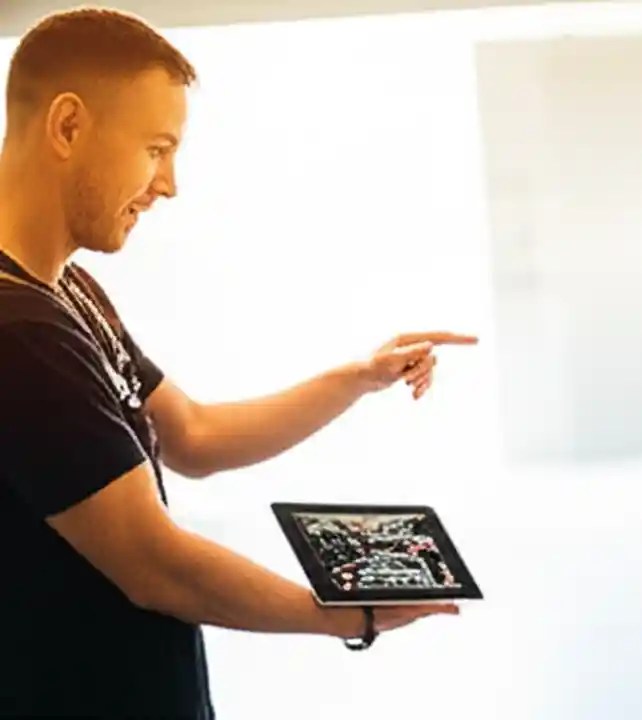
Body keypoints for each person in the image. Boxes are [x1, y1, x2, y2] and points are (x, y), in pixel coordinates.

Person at [0, 8, 474, 718]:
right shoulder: (17, 332)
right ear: (68, 126)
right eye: (157, 148)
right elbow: (155, 566)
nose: (169, 184)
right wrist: (346, 616)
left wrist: (359, 378)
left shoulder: (66, 289)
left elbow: (193, 435)